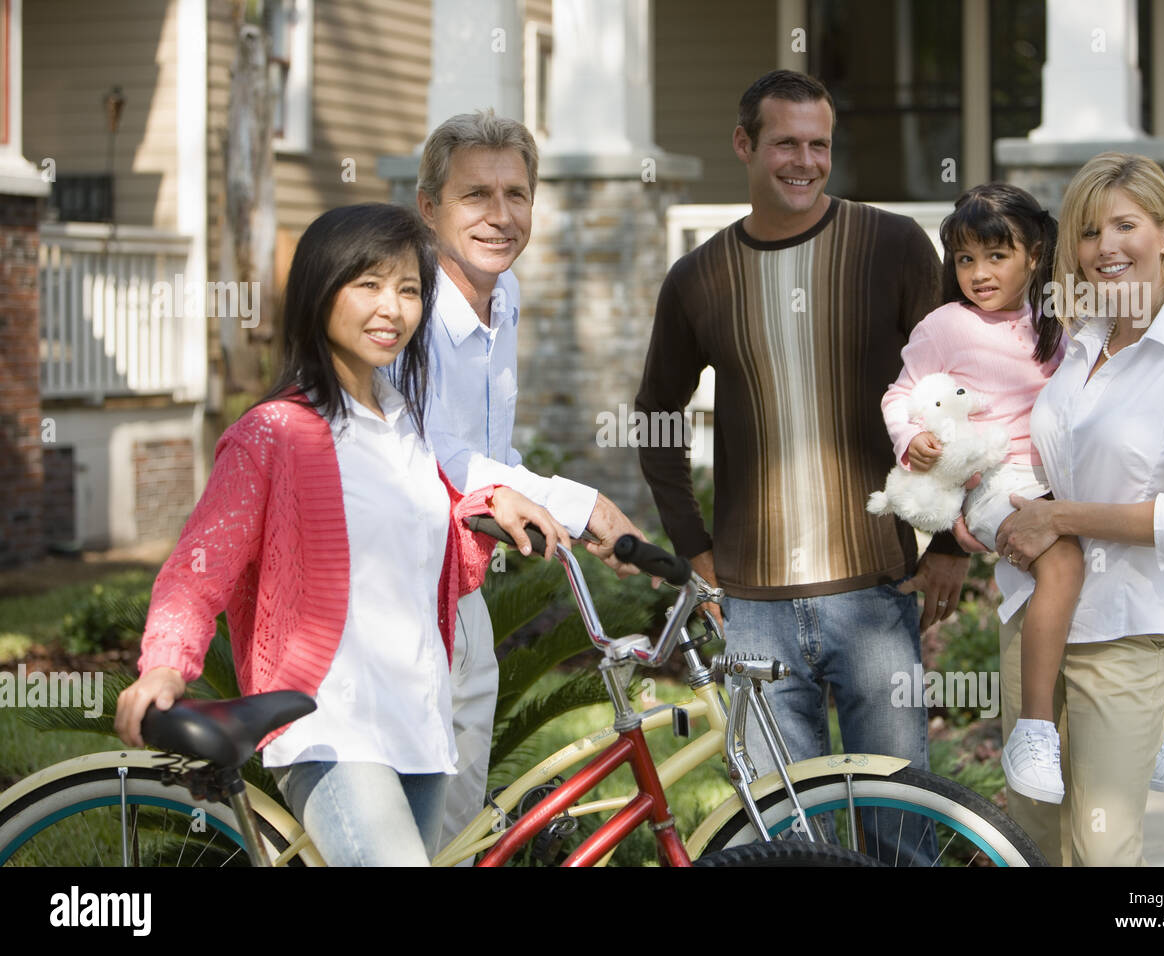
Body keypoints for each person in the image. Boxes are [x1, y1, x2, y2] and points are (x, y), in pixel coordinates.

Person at [113, 203, 570, 866]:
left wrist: (493, 501)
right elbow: (197, 567)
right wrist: (164, 664)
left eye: (409, 290)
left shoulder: (405, 423)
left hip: (418, 722)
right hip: (330, 726)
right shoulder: (271, 434)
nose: (393, 308)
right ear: (320, 291)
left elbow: (426, 552)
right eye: (369, 285)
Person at [635, 70, 969, 858]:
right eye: (785, 142)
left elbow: (953, 396)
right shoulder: (698, 279)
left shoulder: (891, 245)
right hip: (751, 610)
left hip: (874, 593)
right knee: (784, 840)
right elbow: (655, 420)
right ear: (744, 144)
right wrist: (698, 557)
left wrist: (952, 541)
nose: (805, 161)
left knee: (899, 833)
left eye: (819, 144)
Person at [991, 153, 1164, 865]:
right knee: (1031, 848)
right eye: (1087, 232)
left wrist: (1062, 517)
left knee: (1102, 853)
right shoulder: (1079, 345)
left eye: (1126, 225)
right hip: (1032, 626)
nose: (1105, 247)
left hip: (1125, 635)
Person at [413, 109, 649, 854]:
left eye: (516, 194)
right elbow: (432, 449)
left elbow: (491, 451)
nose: (500, 215)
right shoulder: (407, 305)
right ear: (430, 208)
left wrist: (587, 512)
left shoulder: (501, 299)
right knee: (407, 798)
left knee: (459, 792)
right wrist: (583, 504)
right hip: (390, 587)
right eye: (475, 195)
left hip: (460, 576)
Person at [880, 183, 1081, 806]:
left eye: (997, 256)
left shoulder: (1057, 319)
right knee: (1065, 560)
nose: (979, 273)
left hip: (1058, 475)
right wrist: (912, 438)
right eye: (965, 259)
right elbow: (899, 393)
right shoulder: (945, 325)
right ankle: (1033, 730)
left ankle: (1133, 730)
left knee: (1106, 561)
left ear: (1035, 252)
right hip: (992, 481)